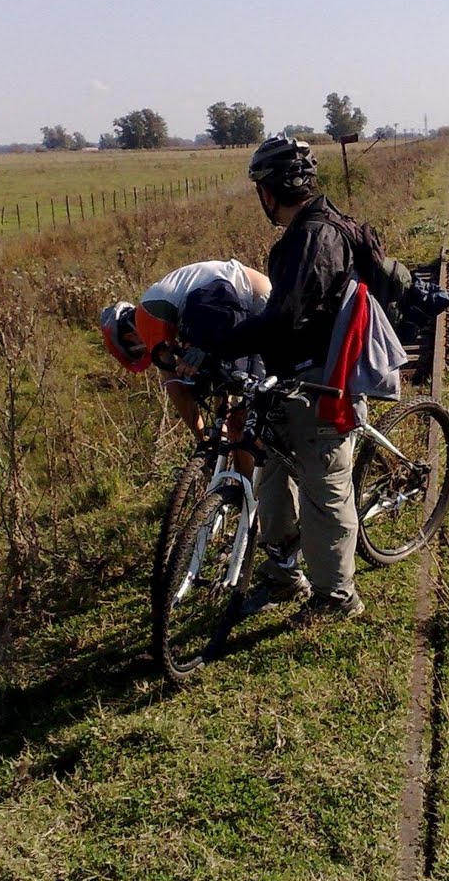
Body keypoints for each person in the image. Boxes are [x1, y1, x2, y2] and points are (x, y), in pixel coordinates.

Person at [190, 134, 366, 626]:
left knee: (324, 488)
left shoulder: (314, 238)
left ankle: (337, 597)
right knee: (272, 476)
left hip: (321, 384)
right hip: (289, 379)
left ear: (268, 191)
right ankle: (284, 574)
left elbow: (286, 319)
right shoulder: (311, 231)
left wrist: (227, 343)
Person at [99, 259, 271, 443]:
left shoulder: (146, 318)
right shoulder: (183, 314)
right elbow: (221, 375)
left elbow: (175, 386)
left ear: (129, 338)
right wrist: (221, 422)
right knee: (241, 411)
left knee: (252, 419)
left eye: (140, 352)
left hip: (255, 301)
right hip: (257, 295)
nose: (147, 351)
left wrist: (201, 437)